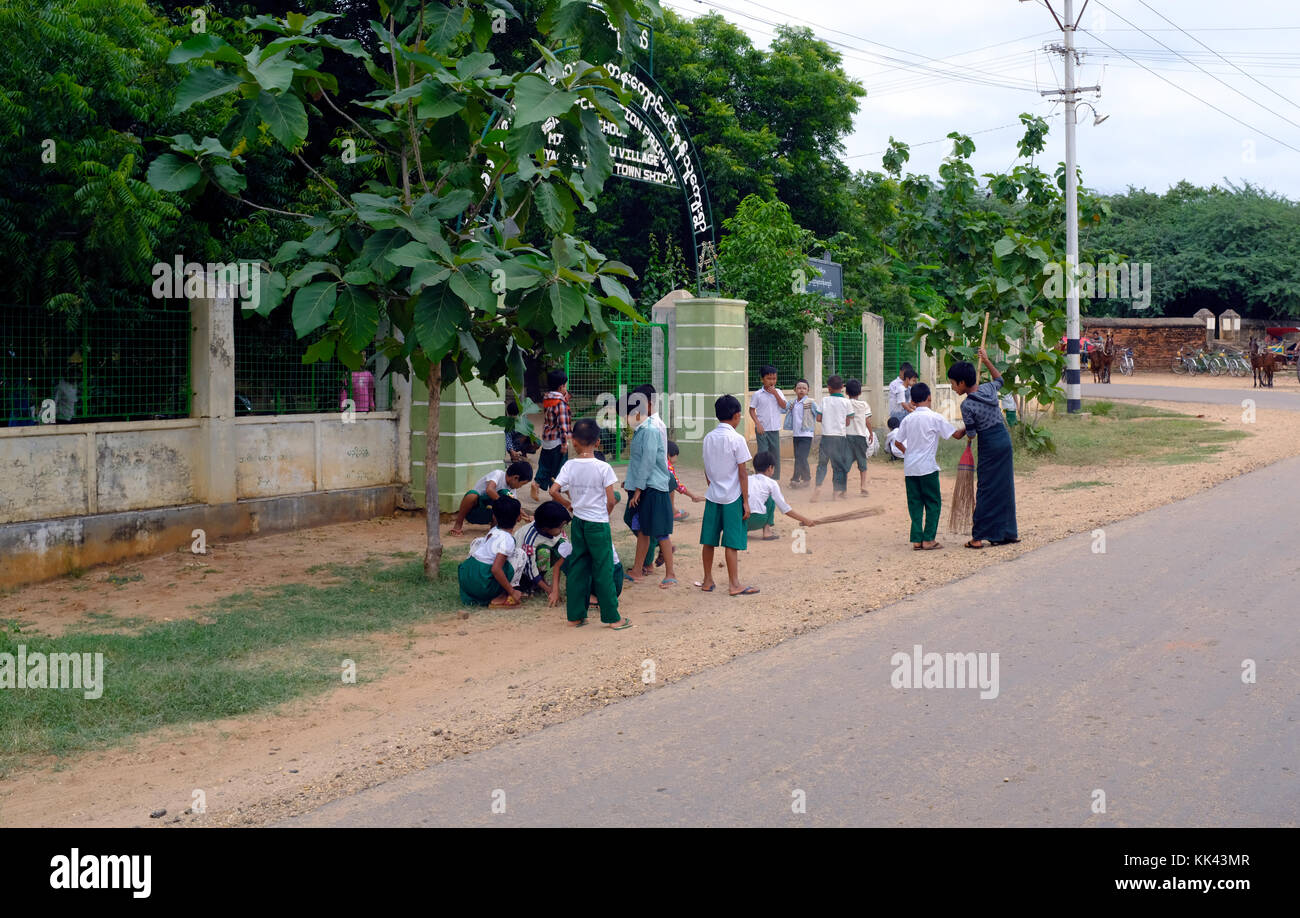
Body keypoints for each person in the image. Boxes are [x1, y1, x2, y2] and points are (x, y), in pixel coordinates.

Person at [549, 418, 631, 629]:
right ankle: (613, 618)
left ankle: (575, 616)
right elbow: (611, 500)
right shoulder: (603, 467)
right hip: (597, 523)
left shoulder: (569, 465)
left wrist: (570, 505)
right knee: (603, 569)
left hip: (579, 522)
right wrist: (606, 511)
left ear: (574, 441)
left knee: (578, 567)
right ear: (597, 442)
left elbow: (553, 491)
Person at [948, 348, 1019, 549]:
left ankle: (978, 537)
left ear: (962, 383)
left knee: (985, 489)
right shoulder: (988, 389)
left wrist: (962, 432)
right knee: (1004, 486)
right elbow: (1000, 380)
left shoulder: (967, 405)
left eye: (953, 384)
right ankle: (1007, 533)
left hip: (989, 445)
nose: (953, 388)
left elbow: (972, 433)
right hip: (1004, 441)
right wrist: (987, 360)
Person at [696, 394, 757, 596]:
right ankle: (734, 584)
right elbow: (742, 472)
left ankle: (707, 580)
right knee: (731, 542)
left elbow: (706, 467)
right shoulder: (737, 439)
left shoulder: (708, 438)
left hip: (713, 495)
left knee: (709, 540)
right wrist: (746, 501)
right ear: (737, 416)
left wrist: (712, 485)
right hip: (732, 496)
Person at [894, 382, 965, 551]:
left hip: (910, 468)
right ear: (929, 398)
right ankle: (929, 539)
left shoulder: (908, 419)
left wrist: (908, 453)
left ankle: (917, 540)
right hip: (927, 468)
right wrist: (970, 425)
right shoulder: (935, 417)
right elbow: (955, 435)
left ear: (913, 400)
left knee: (915, 503)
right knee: (933, 503)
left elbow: (897, 442)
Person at [623, 390, 676, 589]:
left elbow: (648, 461)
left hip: (653, 486)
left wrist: (637, 489)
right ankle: (637, 570)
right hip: (645, 485)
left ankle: (670, 573)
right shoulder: (643, 429)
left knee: (660, 531)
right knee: (644, 529)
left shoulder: (651, 430)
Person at [457, 496, 525, 607]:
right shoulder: (507, 539)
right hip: (482, 583)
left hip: (466, 578)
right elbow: (496, 569)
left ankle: (476, 595)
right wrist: (512, 592)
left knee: (478, 541)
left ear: (493, 516)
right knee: (520, 554)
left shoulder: (493, 531)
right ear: (519, 517)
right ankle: (503, 596)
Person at [510, 500, 571, 606]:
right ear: (546, 528)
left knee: (563, 546)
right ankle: (529, 585)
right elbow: (530, 569)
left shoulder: (554, 528)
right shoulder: (531, 539)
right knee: (544, 552)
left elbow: (566, 551)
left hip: (534, 563)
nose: (562, 530)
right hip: (521, 571)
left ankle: (539, 581)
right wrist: (549, 590)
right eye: (560, 527)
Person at [745, 451, 816, 540]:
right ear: (770, 468)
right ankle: (767, 532)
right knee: (770, 499)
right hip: (759, 520)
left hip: (741, 520)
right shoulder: (771, 483)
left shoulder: (746, 479)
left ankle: (743, 530)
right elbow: (785, 508)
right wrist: (805, 520)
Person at [448, 461, 533, 535]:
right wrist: (505, 504)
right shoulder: (498, 474)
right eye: (522, 484)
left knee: (507, 501)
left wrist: (520, 513)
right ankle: (458, 524)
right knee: (472, 495)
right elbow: (489, 490)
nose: (520, 487)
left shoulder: (512, 490)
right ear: (516, 477)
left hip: (488, 515)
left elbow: (513, 506)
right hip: (475, 511)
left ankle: (494, 530)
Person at [812, 374, 853, 502]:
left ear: (828, 388)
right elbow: (847, 422)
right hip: (840, 437)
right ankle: (836, 493)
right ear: (842, 387)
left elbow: (818, 418)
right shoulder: (847, 402)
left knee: (822, 464)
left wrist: (828, 421)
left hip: (826, 437)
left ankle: (817, 488)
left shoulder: (825, 400)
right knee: (838, 466)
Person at [534, 368, 571, 502]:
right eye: (565, 385)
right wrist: (565, 443)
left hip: (547, 440)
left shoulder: (547, 398)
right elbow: (563, 425)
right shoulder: (561, 404)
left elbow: (560, 398)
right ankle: (556, 495)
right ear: (561, 386)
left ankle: (536, 483)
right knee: (558, 470)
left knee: (545, 465)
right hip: (557, 441)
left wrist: (564, 395)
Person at [748, 365, 788, 480]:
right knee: (762, 453)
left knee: (775, 455)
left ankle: (774, 479)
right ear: (762, 379)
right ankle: (760, 478)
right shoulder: (757, 394)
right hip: (762, 429)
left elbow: (784, 406)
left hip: (774, 429)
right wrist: (757, 424)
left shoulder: (779, 392)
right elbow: (751, 410)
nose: (772, 381)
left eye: (774, 379)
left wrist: (775, 394)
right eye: (769, 379)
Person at [844, 378, 875, 496]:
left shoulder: (845, 403)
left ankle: (843, 488)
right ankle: (863, 486)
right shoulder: (864, 405)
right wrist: (871, 433)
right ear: (860, 392)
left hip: (847, 436)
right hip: (860, 436)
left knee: (845, 462)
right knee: (862, 462)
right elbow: (867, 421)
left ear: (846, 392)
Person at [785, 378, 816, 487]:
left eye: (804, 388)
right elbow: (783, 409)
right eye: (799, 388)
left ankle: (803, 479)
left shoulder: (810, 402)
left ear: (808, 390)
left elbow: (818, 414)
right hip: (796, 435)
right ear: (795, 390)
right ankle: (798, 479)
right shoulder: (792, 403)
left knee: (801, 457)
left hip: (806, 434)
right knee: (798, 457)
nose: (801, 390)